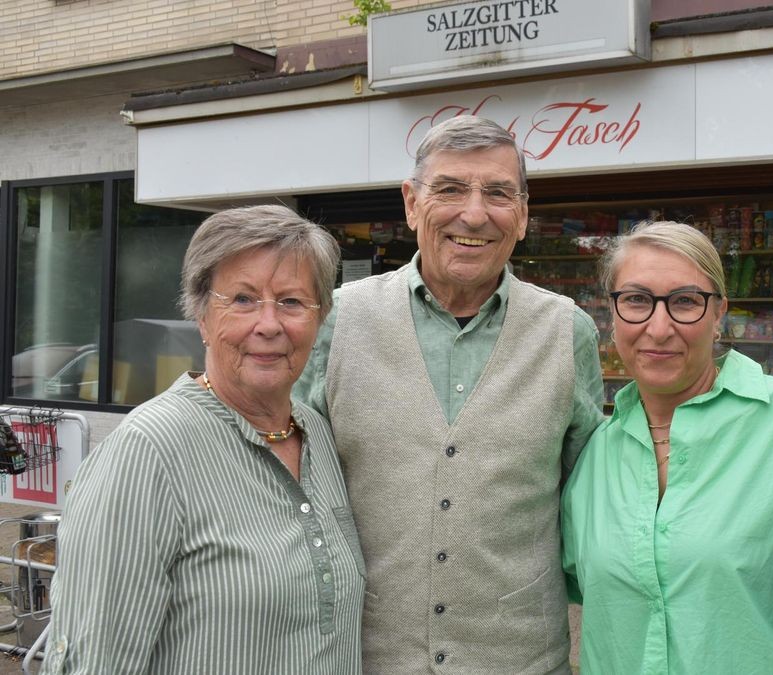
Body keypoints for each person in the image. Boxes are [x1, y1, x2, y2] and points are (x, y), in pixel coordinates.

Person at [295, 115, 605, 673]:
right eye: (451, 189)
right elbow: (294, 485)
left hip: (520, 658)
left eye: (498, 193)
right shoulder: (338, 320)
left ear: (524, 214)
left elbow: (589, 495)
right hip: (366, 657)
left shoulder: (567, 330)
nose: (474, 213)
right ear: (412, 204)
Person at [43, 205, 362, 674]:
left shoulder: (316, 434)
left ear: (319, 320)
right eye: (243, 299)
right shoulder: (147, 451)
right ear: (200, 314)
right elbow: (95, 660)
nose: (269, 324)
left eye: (292, 302)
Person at [561, 221, 773, 673]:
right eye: (636, 300)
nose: (659, 329)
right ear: (612, 314)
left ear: (719, 314)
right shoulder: (597, 452)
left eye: (685, 302)